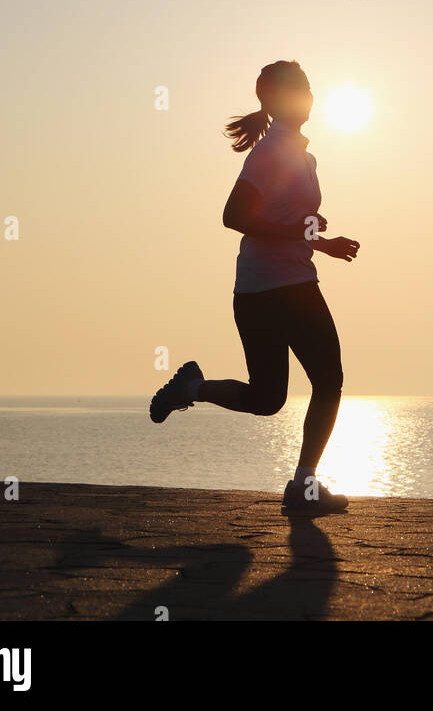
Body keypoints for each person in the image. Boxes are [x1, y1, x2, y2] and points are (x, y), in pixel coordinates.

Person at [149, 60, 360, 515]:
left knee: (269, 398)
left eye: (308, 87)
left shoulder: (303, 157)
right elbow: (235, 216)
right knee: (325, 382)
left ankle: (192, 388)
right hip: (283, 288)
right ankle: (304, 486)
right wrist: (301, 233)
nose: (307, 96)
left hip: (263, 289)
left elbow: (280, 219)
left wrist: (319, 241)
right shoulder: (270, 154)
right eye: (297, 89)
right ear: (274, 100)